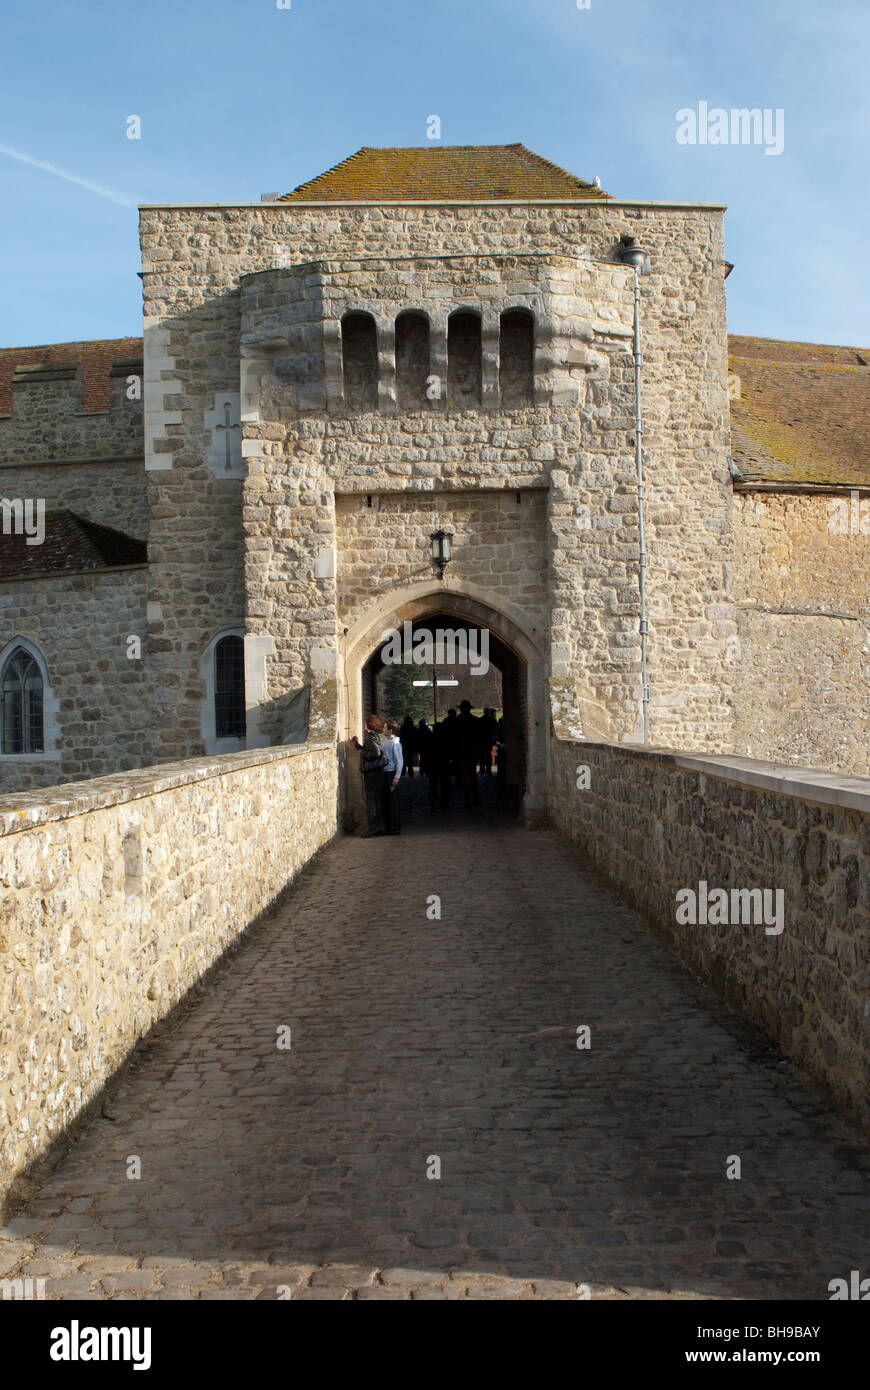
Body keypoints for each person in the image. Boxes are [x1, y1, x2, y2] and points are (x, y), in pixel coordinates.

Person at [348, 714, 387, 837]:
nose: (364, 724)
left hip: (372, 774)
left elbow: (375, 752)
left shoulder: (370, 737)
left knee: (372, 801)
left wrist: (362, 753)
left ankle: (374, 828)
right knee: (377, 801)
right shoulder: (375, 736)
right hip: (377, 773)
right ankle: (380, 826)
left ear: (369, 724)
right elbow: (372, 750)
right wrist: (357, 745)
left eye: (365, 723)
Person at [382, 720, 403, 834]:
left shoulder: (396, 744)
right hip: (384, 773)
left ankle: (395, 827)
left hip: (391, 774)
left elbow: (399, 761)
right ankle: (388, 825)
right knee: (386, 801)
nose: (383, 729)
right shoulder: (384, 740)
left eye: (385, 728)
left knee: (393, 801)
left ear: (390, 730)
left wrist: (397, 777)